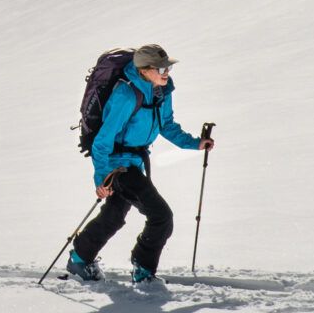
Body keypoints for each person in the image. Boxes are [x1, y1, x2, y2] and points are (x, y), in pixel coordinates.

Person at [69, 44, 213, 285]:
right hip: (119, 165)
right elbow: (102, 141)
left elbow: (166, 125)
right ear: (144, 70)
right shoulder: (126, 96)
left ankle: (80, 258)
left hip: (135, 162)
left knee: (114, 216)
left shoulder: (161, 92)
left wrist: (196, 144)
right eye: (161, 68)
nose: (166, 72)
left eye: (168, 67)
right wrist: (101, 178)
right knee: (161, 216)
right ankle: (144, 269)